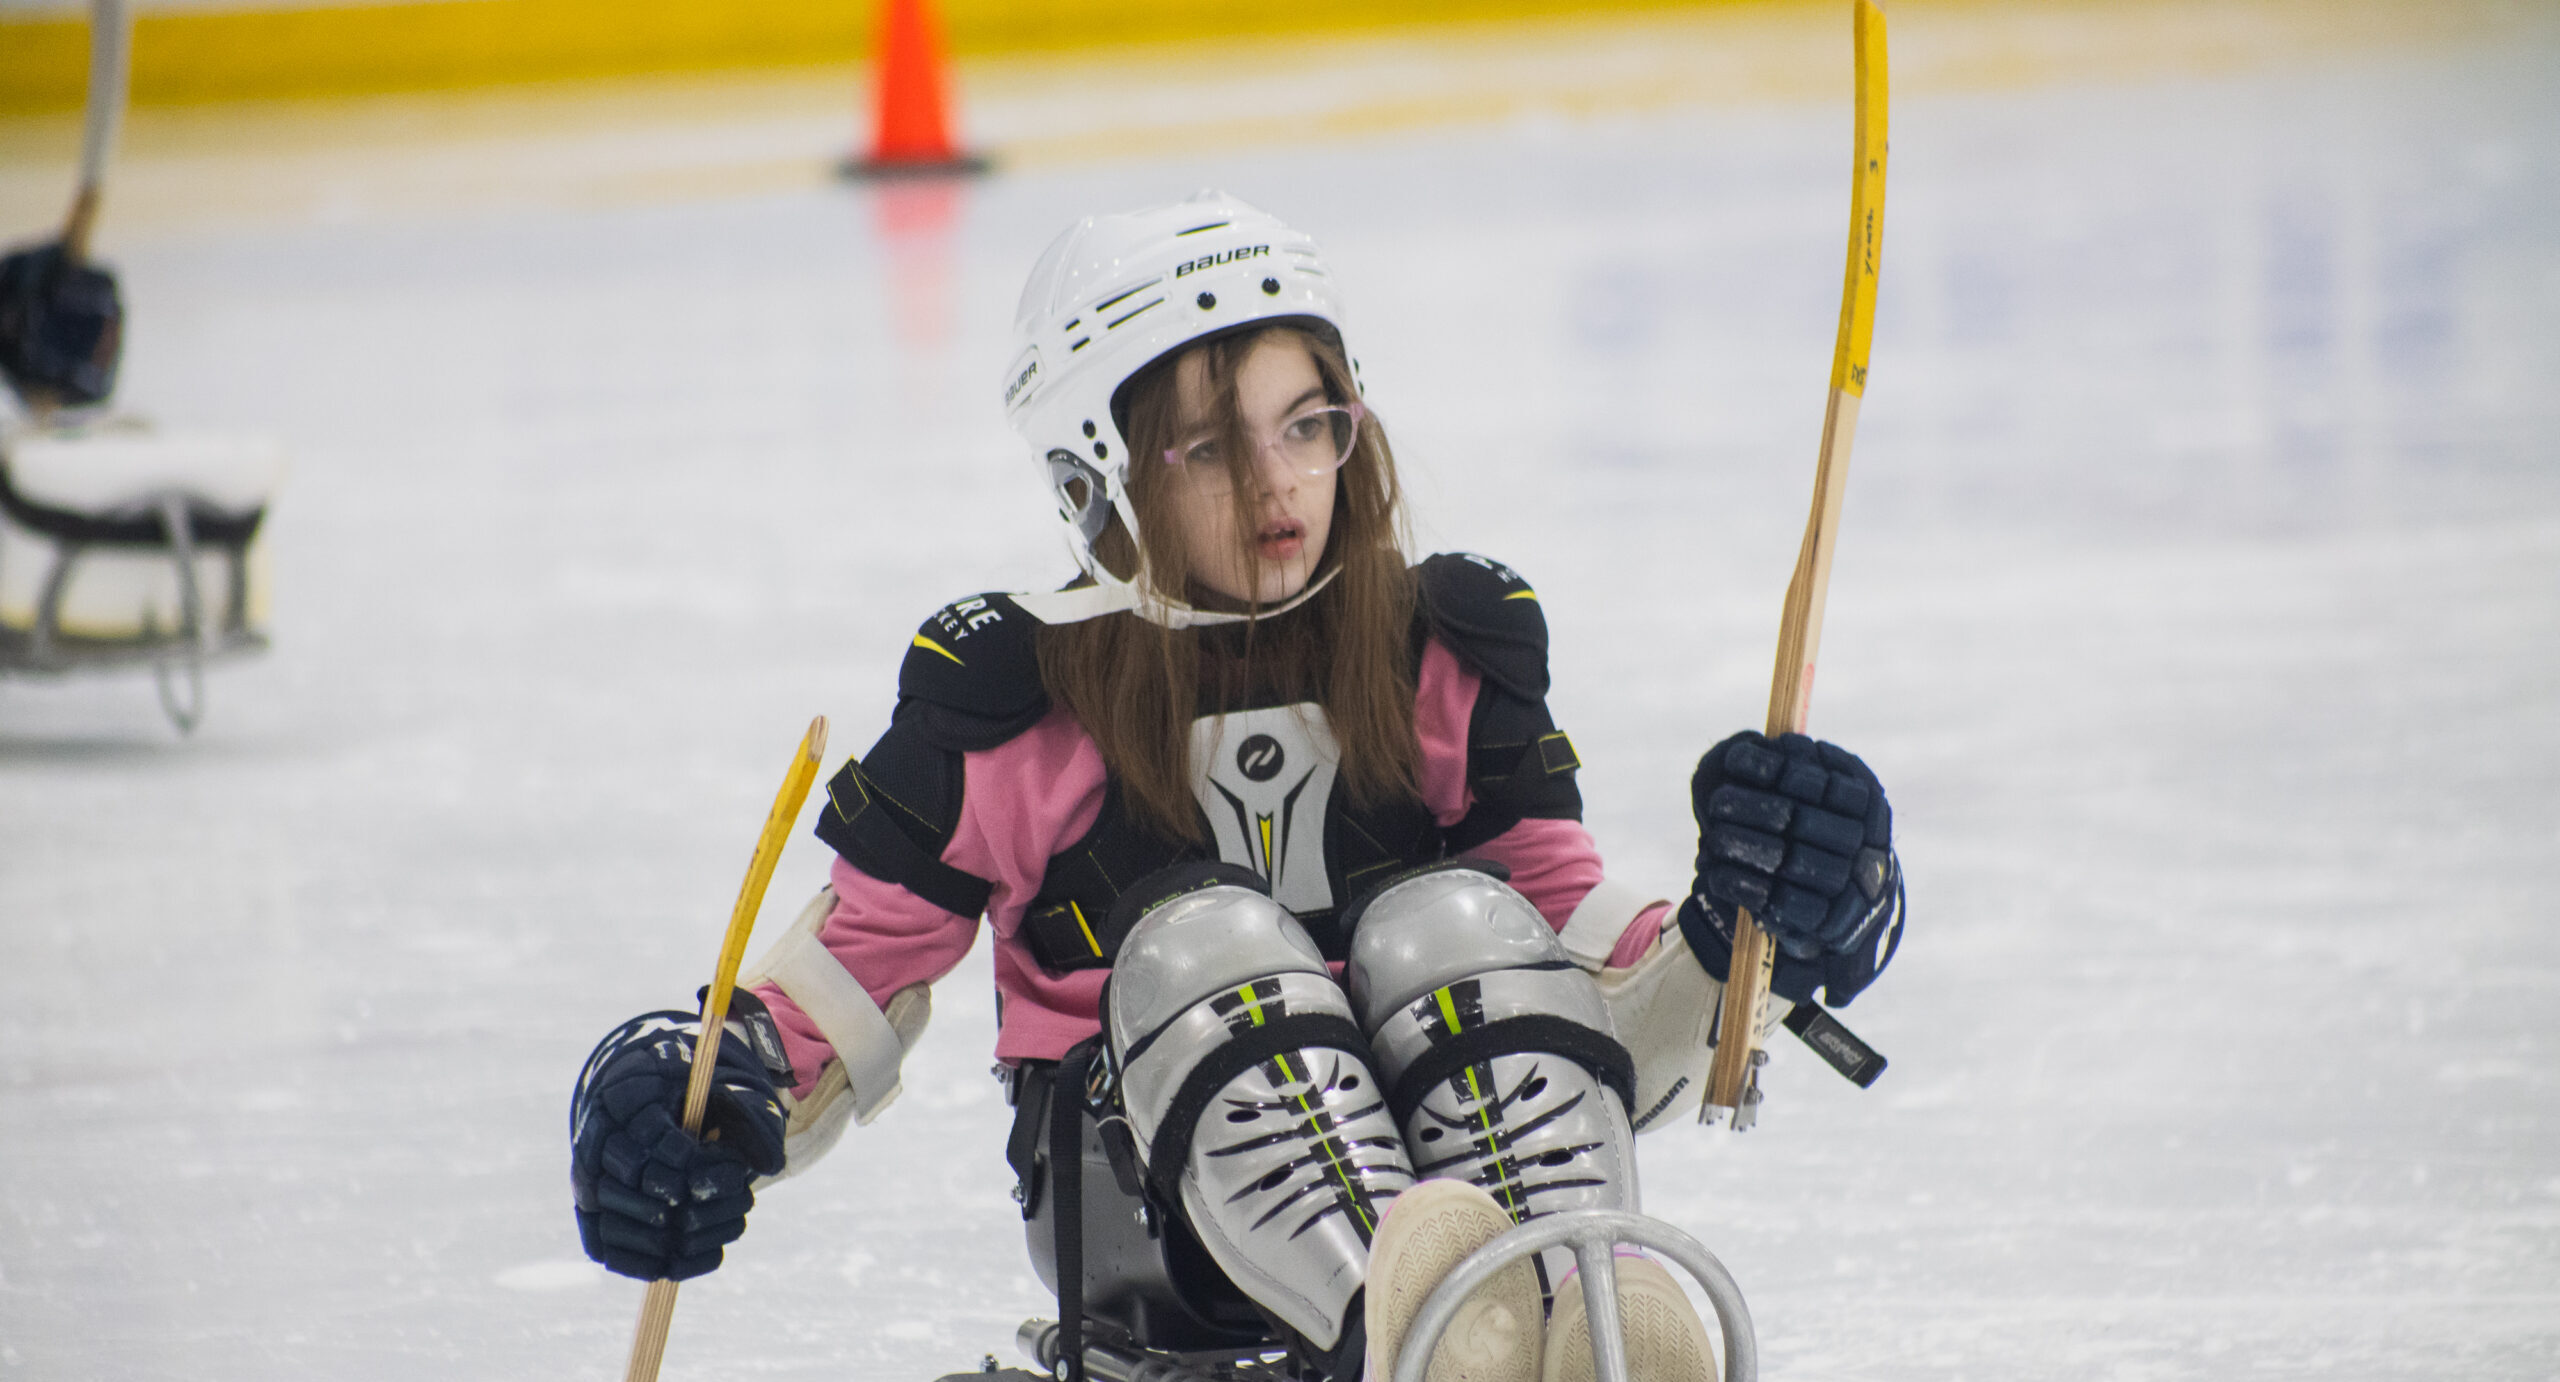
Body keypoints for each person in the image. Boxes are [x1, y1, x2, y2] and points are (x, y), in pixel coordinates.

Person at [569, 192, 1906, 1382]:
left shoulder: (1442, 646)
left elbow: (1599, 977)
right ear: (1096, 474)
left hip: (1477, 1225)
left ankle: (1565, 1302)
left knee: (1453, 926)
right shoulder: (1011, 700)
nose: (1277, 483)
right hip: (1149, 1243)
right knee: (1209, 946)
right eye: (1205, 449)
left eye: (1306, 425)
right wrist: (682, 1095)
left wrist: (1758, 927)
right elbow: (824, 1003)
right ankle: (1420, 1331)